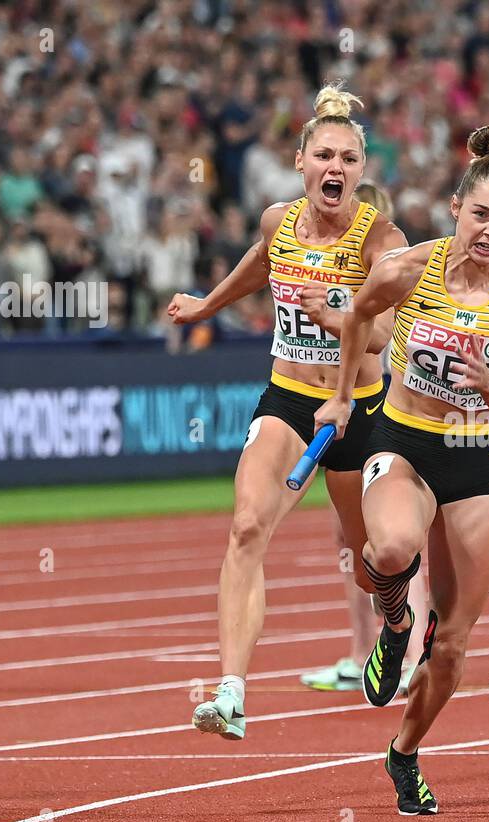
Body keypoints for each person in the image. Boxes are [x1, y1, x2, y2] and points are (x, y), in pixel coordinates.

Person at [314, 124, 489, 814]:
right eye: (482, 214)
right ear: (456, 207)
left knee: (450, 644)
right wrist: (338, 397)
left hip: (480, 460)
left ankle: (405, 751)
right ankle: (393, 627)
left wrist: (488, 381)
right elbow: (358, 314)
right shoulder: (407, 270)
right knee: (387, 549)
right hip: (406, 442)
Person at [167, 84, 408, 740]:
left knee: (371, 562)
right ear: (300, 163)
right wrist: (207, 305)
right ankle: (232, 692)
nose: (336, 168)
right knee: (246, 526)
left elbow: (383, 336)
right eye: (324, 155)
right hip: (289, 398)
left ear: (362, 171)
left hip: (355, 409)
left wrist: (335, 315)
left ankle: (397, 625)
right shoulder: (279, 221)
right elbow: (258, 265)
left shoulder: (379, 238)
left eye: (349, 159)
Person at [300, 180, 429, 693]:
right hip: (339, 409)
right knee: (349, 540)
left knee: (391, 544)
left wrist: (334, 317)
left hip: (377, 410)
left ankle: (411, 655)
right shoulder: (327, 263)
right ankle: (360, 653)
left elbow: (382, 337)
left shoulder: (390, 270)